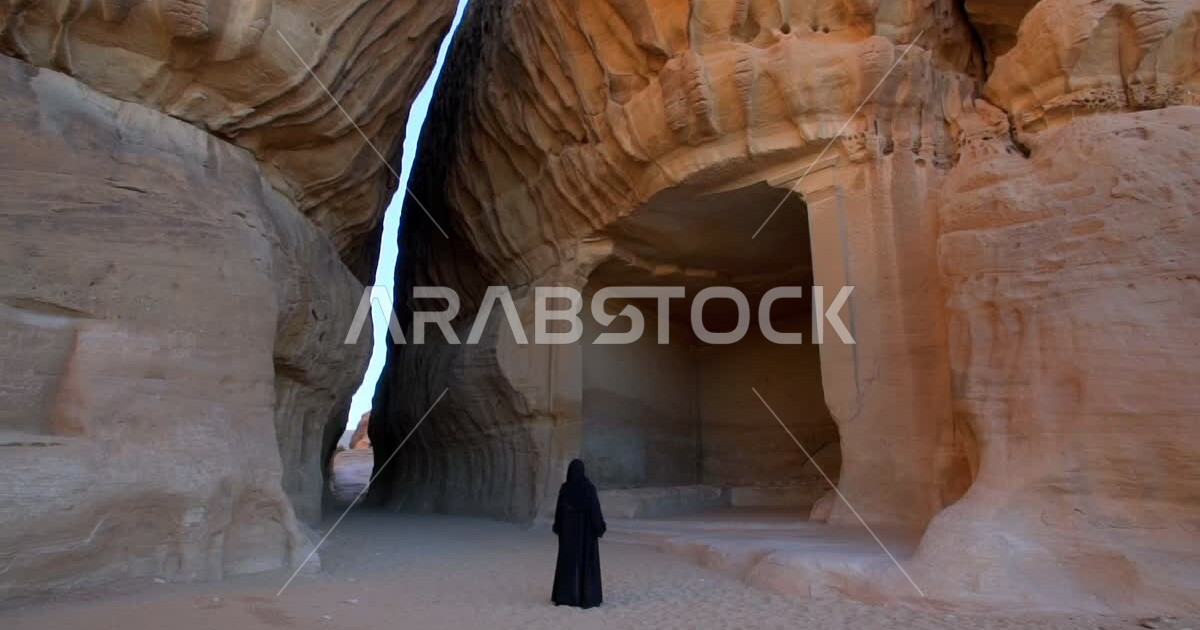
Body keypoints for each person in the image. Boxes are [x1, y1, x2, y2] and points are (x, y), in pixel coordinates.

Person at [551, 458, 606, 608]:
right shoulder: (588, 488)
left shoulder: (565, 489)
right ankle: (585, 597)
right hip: (586, 537)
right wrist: (599, 527)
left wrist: (559, 527)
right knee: (586, 564)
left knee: (568, 564)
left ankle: (566, 597)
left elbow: (559, 512)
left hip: (568, 535)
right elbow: (595, 510)